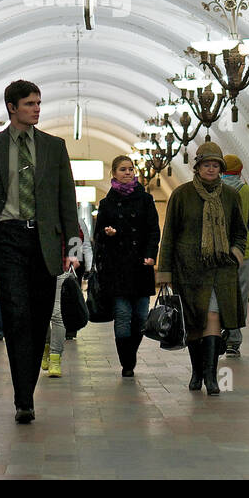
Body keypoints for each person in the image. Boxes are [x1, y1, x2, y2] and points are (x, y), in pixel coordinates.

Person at [0, 79, 79, 424]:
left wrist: (73, 246)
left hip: (43, 242)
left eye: (39, 103)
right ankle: (24, 399)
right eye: (29, 104)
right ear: (11, 107)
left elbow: (68, 199)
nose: (37, 108)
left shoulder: (54, 147)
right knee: (16, 315)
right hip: (5, 239)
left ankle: (28, 385)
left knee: (38, 318)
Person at [157, 141, 246, 396]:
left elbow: (240, 232)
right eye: (206, 164)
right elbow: (170, 234)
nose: (211, 169)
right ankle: (197, 372)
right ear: (198, 167)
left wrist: (235, 255)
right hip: (189, 270)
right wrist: (165, 273)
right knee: (194, 322)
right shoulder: (182, 195)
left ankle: (211, 376)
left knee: (213, 319)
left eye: (215, 165)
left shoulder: (230, 196)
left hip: (220, 271)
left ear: (221, 168)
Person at [93, 155, 160, 378]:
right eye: (123, 169)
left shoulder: (146, 200)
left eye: (131, 169)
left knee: (141, 316)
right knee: (122, 315)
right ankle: (127, 362)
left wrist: (151, 254)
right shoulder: (107, 204)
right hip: (118, 268)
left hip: (141, 265)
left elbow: (153, 230)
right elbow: (98, 236)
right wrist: (106, 233)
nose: (128, 173)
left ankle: (131, 351)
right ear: (113, 173)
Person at [221, 154, 249, 358]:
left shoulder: (214, 189)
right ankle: (233, 339)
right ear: (240, 171)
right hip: (242, 251)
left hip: (218, 249)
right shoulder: (246, 191)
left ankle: (219, 329)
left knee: (219, 291)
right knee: (240, 293)